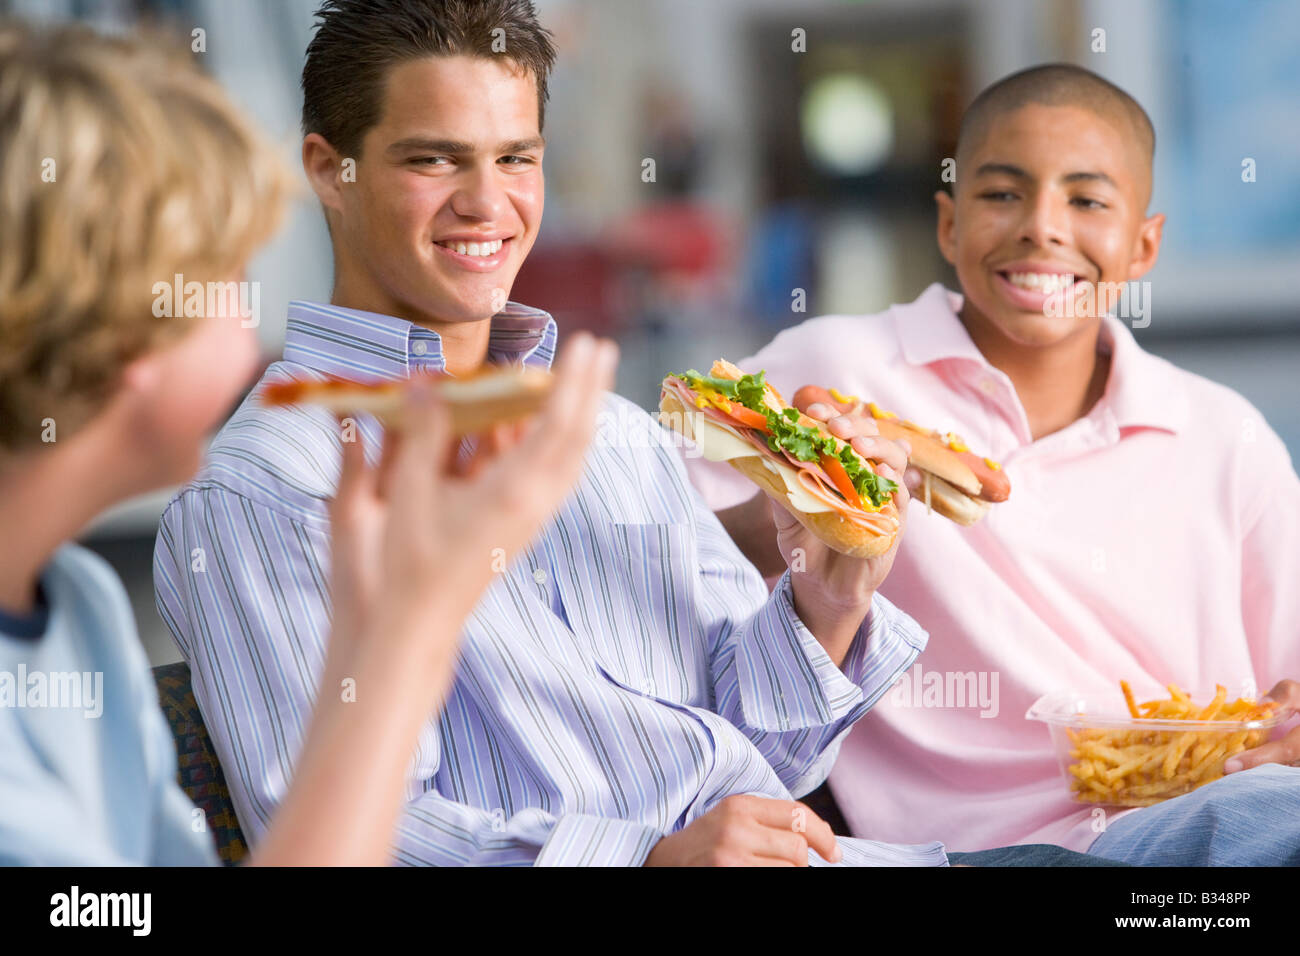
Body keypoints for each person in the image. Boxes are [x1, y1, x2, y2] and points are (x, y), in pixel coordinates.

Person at [151, 0, 963, 868]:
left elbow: (771, 756)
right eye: (434, 159)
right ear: (328, 168)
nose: (486, 202)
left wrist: (827, 603)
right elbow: (338, 842)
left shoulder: (610, 430)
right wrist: (651, 861)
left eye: (515, 158)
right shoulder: (271, 487)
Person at [0, 19, 613, 866]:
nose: (252, 319)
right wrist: (408, 630)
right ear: (120, 326)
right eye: (227, 277)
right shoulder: (258, 486)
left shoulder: (80, 607)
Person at [684, 64, 1300, 866]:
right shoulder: (834, 371)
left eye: (1087, 200)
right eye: (1003, 194)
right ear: (948, 223)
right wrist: (806, 506)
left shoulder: (1225, 436)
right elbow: (663, 572)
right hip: (951, 851)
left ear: (1144, 244)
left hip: (1195, 825)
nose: (1042, 228)